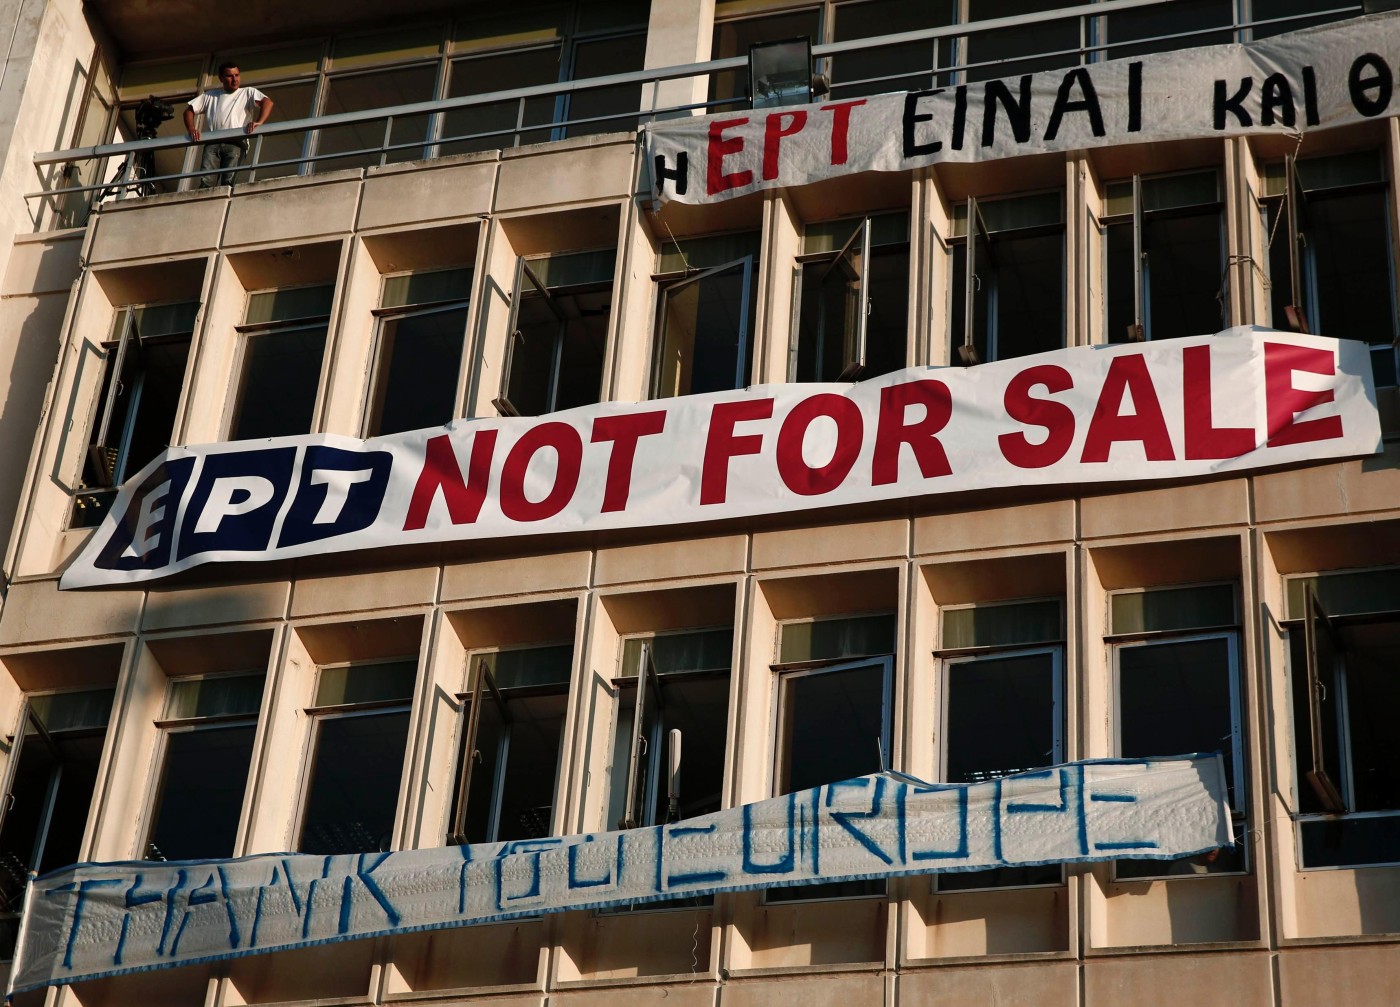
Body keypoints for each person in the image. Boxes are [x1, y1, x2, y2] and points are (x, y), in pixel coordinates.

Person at [184, 62, 273, 189]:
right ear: (221, 78)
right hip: (213, 142)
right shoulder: (211, 95)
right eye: (230, 76)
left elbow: (267, 102)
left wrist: (259, 122)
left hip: (236, 142)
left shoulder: (247, 92)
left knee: (228, 183)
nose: (235, 79)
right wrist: (191, 129)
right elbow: (189, 111)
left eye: (237, 75)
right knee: (206, 183)